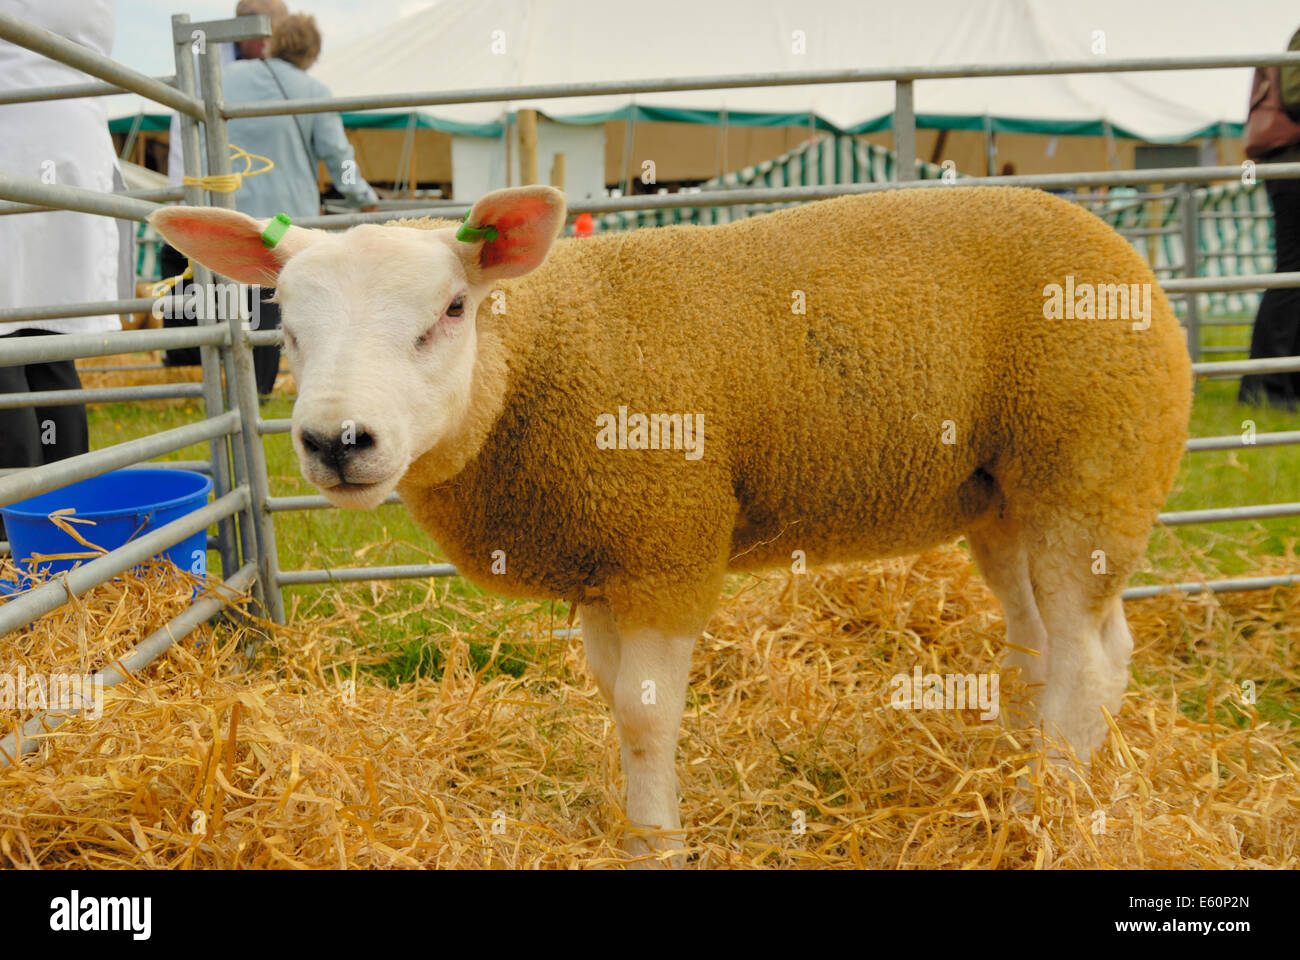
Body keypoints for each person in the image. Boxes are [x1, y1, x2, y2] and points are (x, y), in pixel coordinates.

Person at [0, 0, 133, 538]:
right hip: (73, 150)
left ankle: (15, 536)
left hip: (12, 136)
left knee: (6, 346)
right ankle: (64, 522)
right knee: (50, 342)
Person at [221, 12, 379, 397]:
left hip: (230, 207)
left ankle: (231, 384)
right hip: (284, 218)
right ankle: (258, 389)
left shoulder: (227, 77)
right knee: (272, 300)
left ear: (273, 41)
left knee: (232, 297)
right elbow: (337, 156)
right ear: (312, 53)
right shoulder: (313, 91)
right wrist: (364, 198)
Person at [159, 0, 287, 369]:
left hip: (257, 199)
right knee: (190, 271)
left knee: (260, 284)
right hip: (207, 190)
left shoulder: (273, 70)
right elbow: (186, 128)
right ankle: (189, 369)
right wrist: (185, 192)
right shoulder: (206, 61)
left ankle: (256, 381)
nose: (268, 45)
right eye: (262, 35)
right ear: (243, 29)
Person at [1240, 24, 1300, 411]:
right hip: (1292, 168)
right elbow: (1294, 95)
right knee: (1291, 274)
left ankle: (1281, 382)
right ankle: (1267, 384)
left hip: (1290, 168)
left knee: (1293, 275)